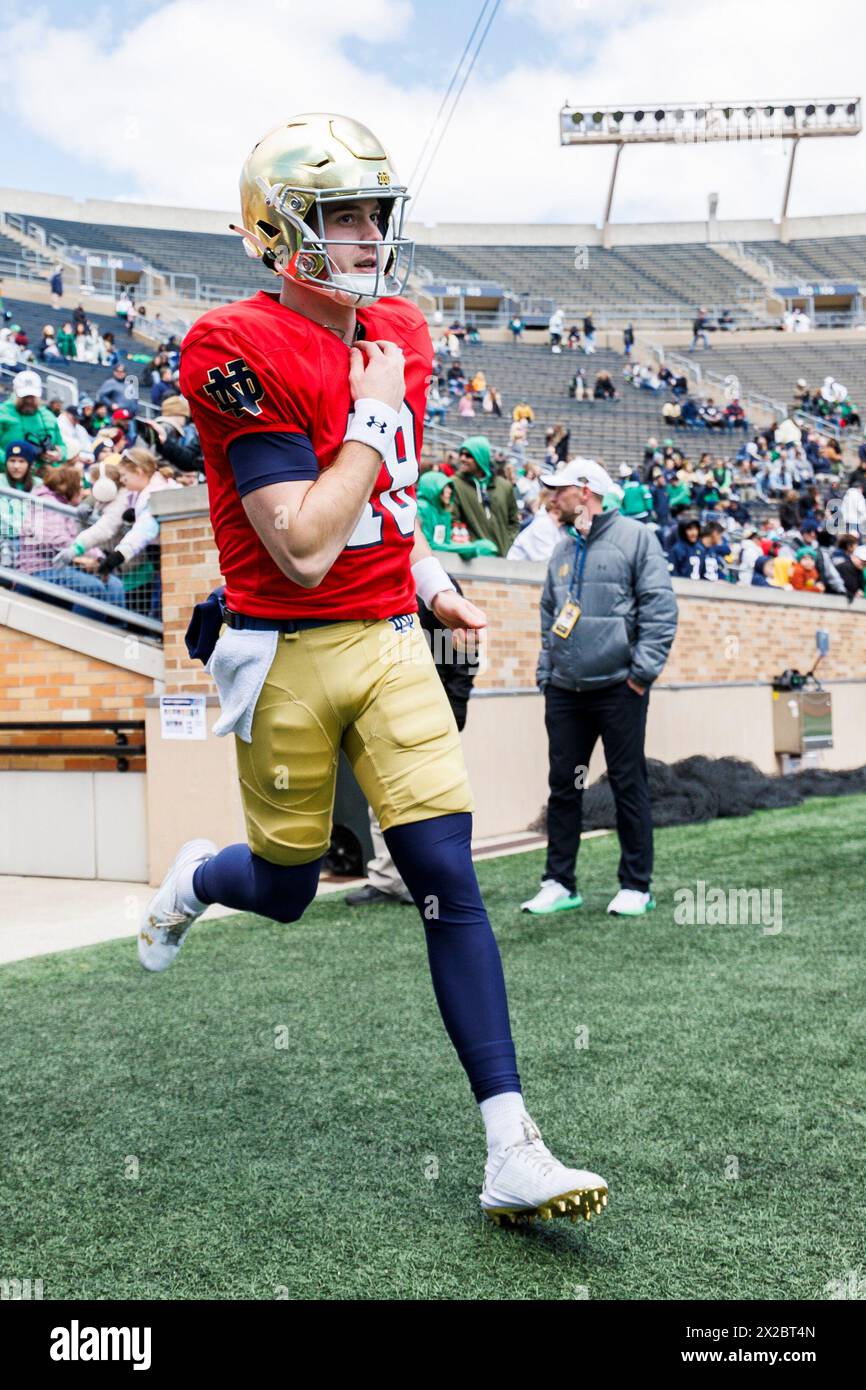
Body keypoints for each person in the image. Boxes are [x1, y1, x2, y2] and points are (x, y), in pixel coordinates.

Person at [147, 112, 607, 1228]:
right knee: (291, 887)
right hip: (283, 647)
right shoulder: (230, 344)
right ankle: (201, 880)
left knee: (445, 872)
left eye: (370, 213)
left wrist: (431, 569)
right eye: (336, 215)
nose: (362, 235)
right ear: (277, 233)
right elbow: (302, 545)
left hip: (390, 639)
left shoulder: (397, 323)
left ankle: (511, 1143)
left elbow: (379, 503)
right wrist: (366, 409)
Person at [524, 458, 677, 917]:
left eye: (560, 490)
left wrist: (640, 675)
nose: (552, 498)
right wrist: (546, 673)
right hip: (565, 691)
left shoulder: (636, 538)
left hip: (618, 688)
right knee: (563, 788)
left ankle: (636, 885)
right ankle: (559, 881)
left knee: (628, 784)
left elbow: (659, 610)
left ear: (585, 490)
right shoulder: (562, 549)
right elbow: (551, 615)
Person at [346, 580, 480, 907]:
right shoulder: (371, 579)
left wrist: (454, 707)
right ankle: (389, 880)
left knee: (431, 797)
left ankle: (431, 879)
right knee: (381, 799)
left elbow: (464, 654)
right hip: (383, 708)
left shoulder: (435, 586)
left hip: (428, 710)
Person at [449, 436, 520, 557]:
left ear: (481, 457)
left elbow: (514, 521)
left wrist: (508, 543)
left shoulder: (504, 486)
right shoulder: (454, 484)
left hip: (503, 557)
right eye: (461, 454)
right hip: (473, 559)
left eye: (468, 455)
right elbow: (453, 520)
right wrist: (473, 547)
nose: (462, 458)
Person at [0, 370, 66, 465]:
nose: (29, 401)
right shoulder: (3, 413)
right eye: (25, 396)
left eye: (32, 396)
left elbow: (61, 445)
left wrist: (59, 454)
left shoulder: (48, 416)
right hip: (10, 475)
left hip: (45, 472)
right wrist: (11, 463)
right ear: (15, 392)